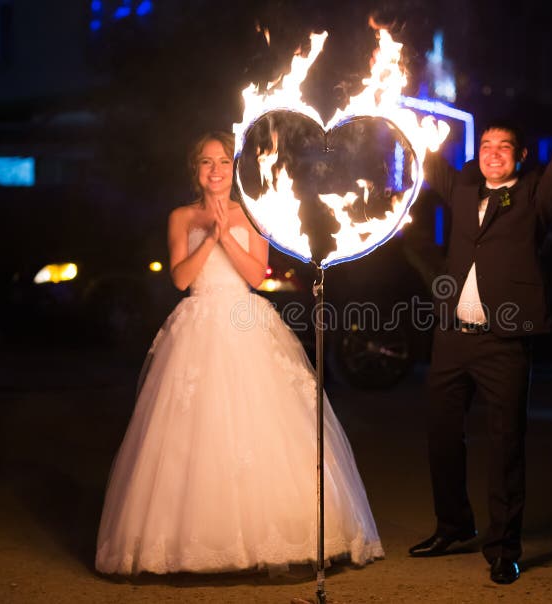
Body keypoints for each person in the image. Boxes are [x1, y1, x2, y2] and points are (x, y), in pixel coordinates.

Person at [95, 131, 384, 575]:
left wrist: (226, 236)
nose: (215, 170)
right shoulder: (181, 217)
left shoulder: (253, 214)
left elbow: (254, 275)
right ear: (195, 170)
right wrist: (209, 236)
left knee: (260, 423)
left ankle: (273, 542)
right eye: (206, 162)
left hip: (244, 321)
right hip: (196, 325)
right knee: (191, 431)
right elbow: (180, 278)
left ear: (235, 168)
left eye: (223, 162)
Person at [409, 75, 552, 584]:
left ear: (519, 156)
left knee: (505, 444)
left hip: (504, 342)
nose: (493, 153)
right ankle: (453, 525)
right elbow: (427, 160)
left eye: (504, 147)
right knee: (441, 435)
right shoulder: (462, 185)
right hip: (452, 336)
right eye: (487, 145)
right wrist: (407, 121)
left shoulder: (535, 195)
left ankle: (503, 548)